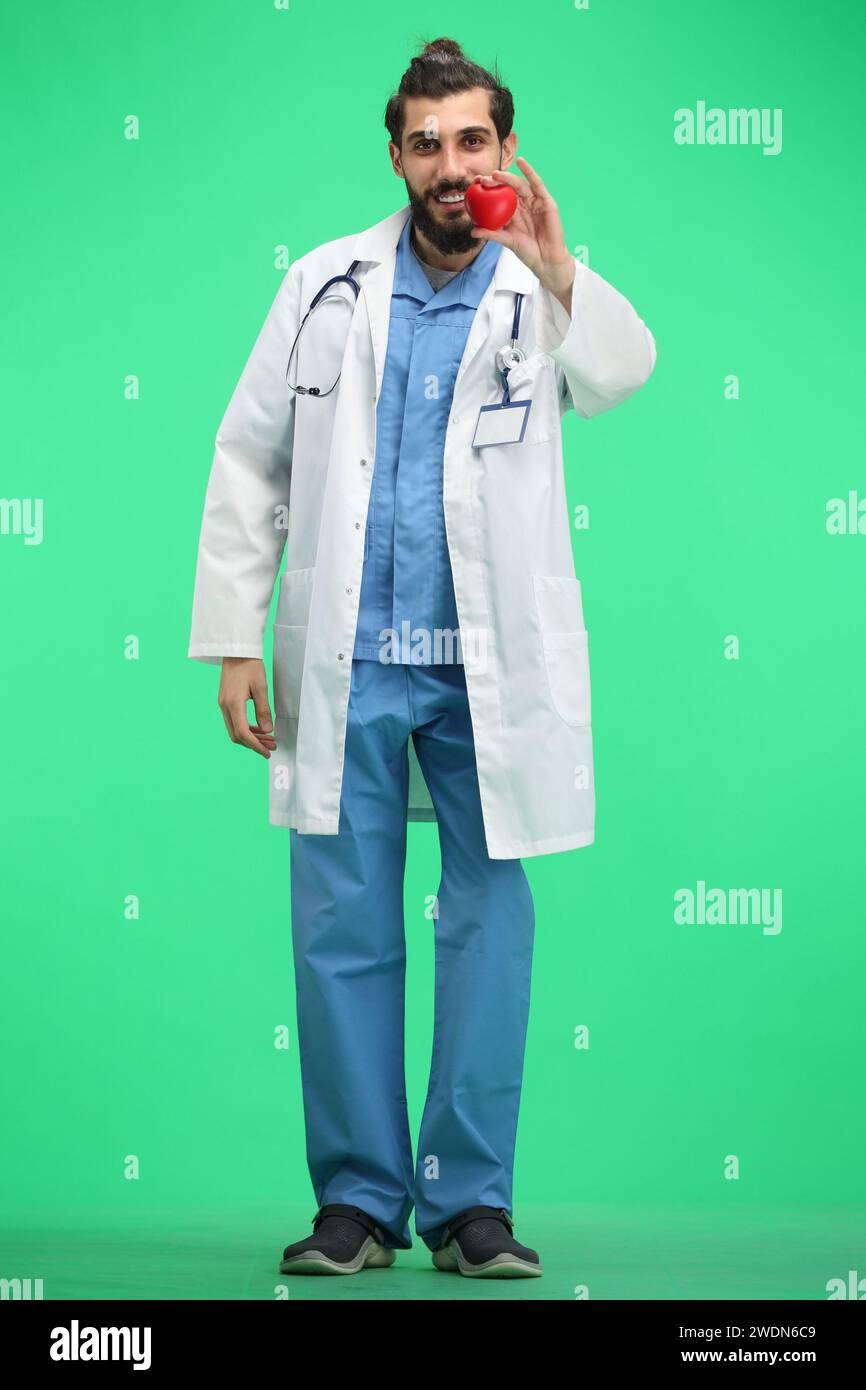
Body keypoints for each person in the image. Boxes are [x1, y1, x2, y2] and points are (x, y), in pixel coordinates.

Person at [188, 36, 656, 1280]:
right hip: (348, 648)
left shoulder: (538, 289)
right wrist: (235, 634)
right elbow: (251, 457)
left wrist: (557, 270)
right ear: (396, 154)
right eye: (426, 142)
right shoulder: (323, 282)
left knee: (485, 920)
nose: (452, 166)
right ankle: (354, 1202)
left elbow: (622, 372)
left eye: (473, 141)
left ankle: (467, 1205)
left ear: (505, 150)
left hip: (482, 662)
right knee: (341, 917)